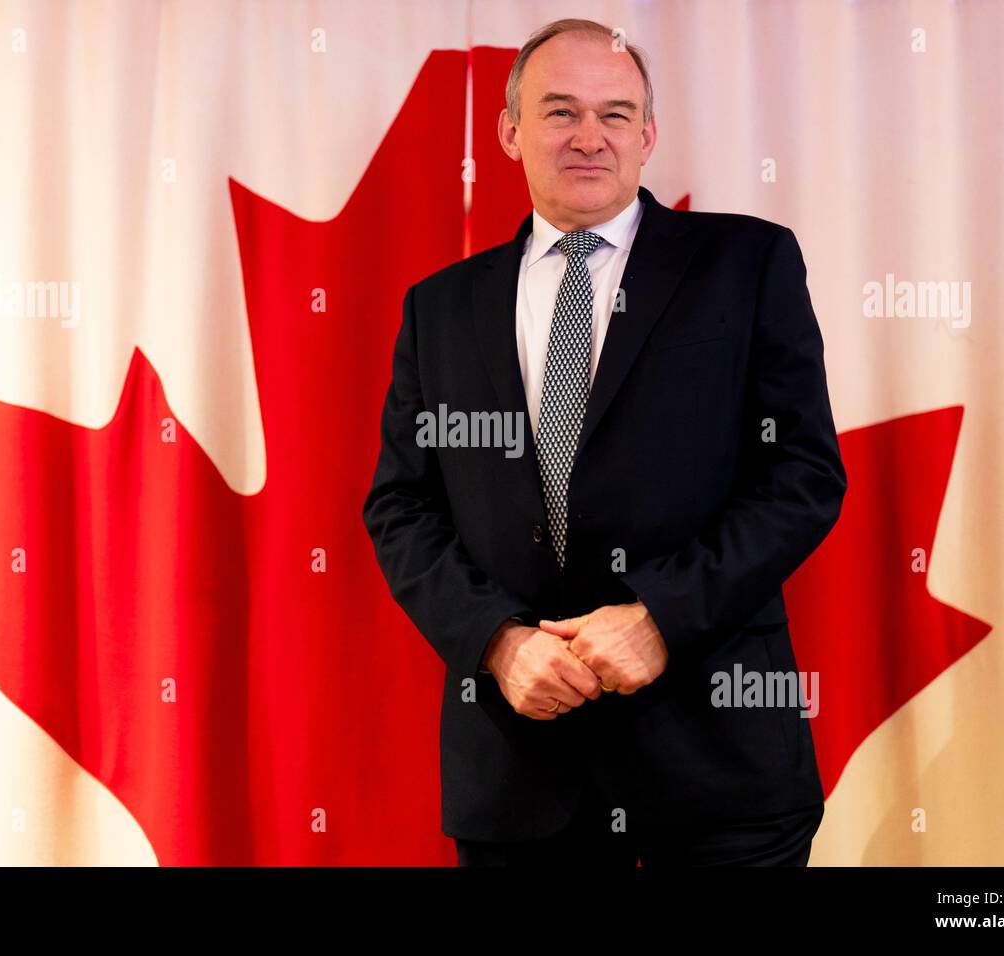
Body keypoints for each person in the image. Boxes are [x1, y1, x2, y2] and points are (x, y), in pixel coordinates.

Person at [362, 17, 846, 866]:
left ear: (648, 135)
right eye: (560, 112)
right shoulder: (439, 307)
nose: (591, 136)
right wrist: (497, 641)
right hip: (519, 774)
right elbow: (401, 507)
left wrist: (662, 616)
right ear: (510, 130)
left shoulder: (749, 263)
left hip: (717, 768)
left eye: (616, 114)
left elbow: (801, 474)